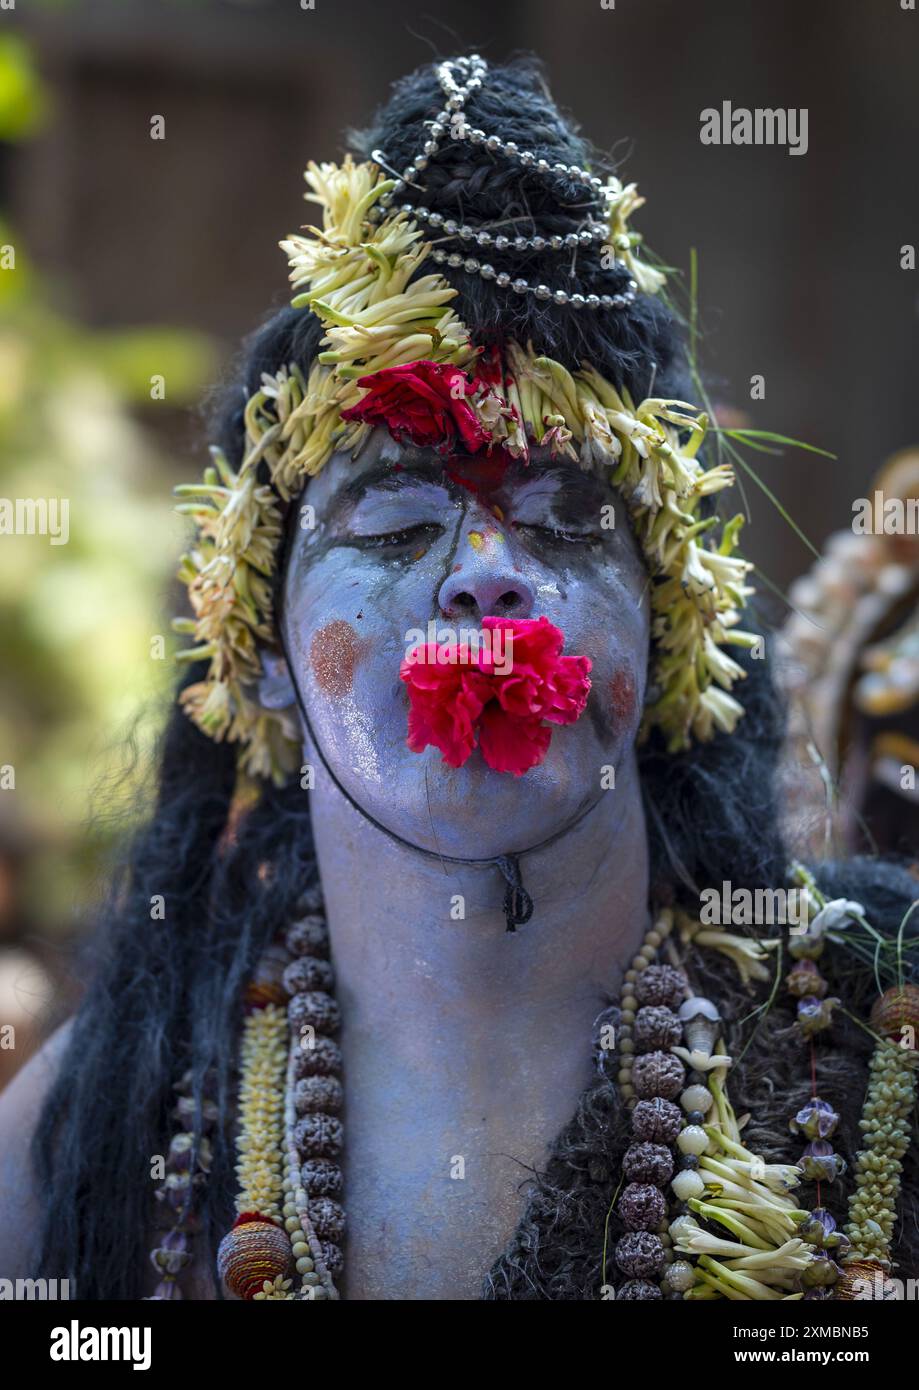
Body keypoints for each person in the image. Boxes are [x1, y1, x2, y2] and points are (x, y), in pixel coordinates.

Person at [1, 53, 917, 1303]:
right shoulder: (98, 1130)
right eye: (388, 525)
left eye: (563, 516)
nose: (487, 573)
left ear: (667, 645)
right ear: (259, 655)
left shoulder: (880, 1050)